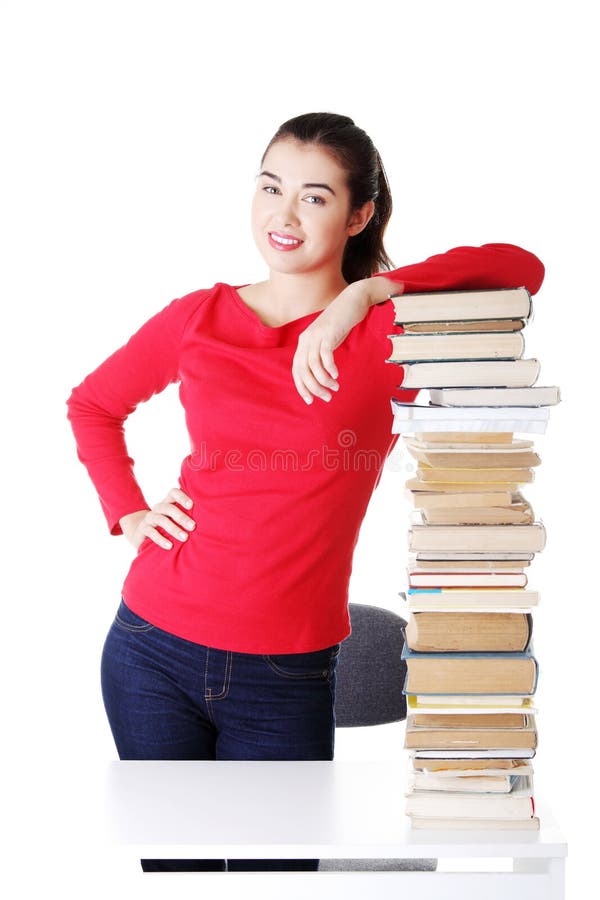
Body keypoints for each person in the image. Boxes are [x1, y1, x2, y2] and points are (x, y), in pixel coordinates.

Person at [65, 111, 545, 872]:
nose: (283, 215)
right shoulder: (199, 316)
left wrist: (365, 296)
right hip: (149, 648)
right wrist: (127, 511)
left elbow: (521, 267)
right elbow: (93, 405)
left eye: (315, 197)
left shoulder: (391, 336)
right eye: (270, 187)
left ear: (359, 215)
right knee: (174, 880)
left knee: (275, 883)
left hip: (284, 672)